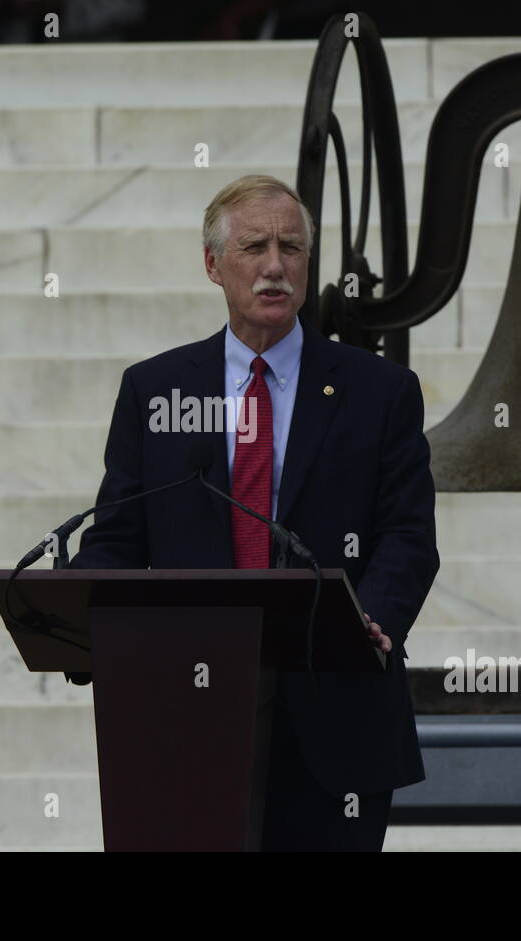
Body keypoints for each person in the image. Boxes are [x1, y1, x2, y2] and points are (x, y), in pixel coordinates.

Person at [67, 174, 440, 851]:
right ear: (213, 264)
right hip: (187, 712)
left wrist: (372, 619)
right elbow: (120, 535)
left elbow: (408, 535)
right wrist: (81, 616)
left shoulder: (379, 392)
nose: (275, 266)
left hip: (337, 710)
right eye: (254, 247)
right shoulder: (156, 390)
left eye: (291, 248)